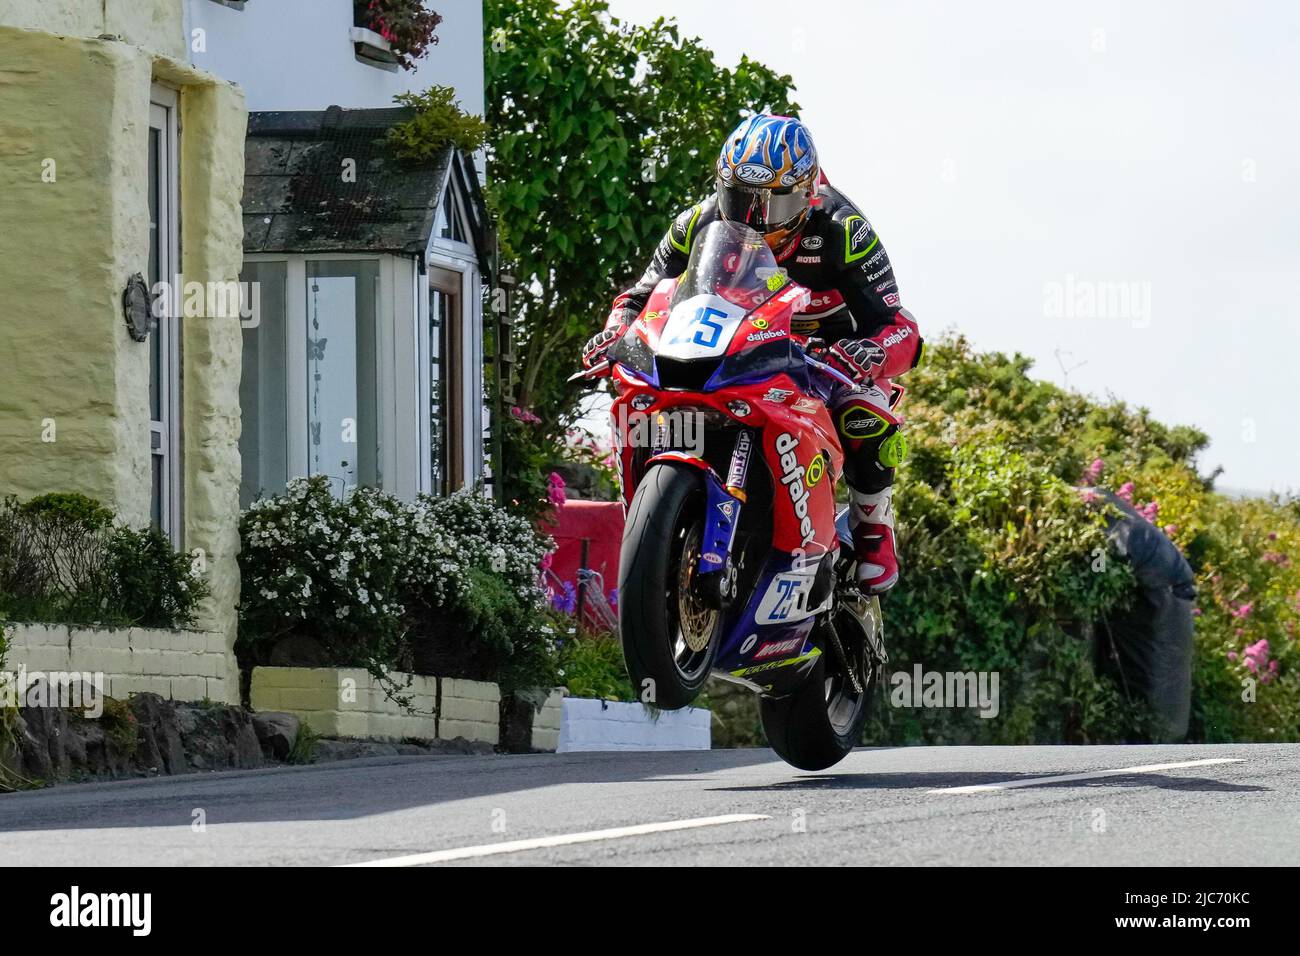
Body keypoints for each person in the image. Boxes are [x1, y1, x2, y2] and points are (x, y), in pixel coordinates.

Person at [583, 114, 923, 594]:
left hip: (830, 356)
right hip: (738, 346)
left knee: (864, 414)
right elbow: (638, 296)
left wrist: (867, 351)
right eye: (740, 198)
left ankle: (873, 526)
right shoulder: (695, 223)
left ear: (807, 194)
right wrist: (616, 330)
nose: (756, 218)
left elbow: (901, 326)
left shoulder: (844, 229)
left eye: (776, 202)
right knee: (645, 394)